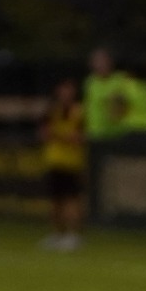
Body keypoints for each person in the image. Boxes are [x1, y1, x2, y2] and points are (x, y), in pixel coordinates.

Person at [38, 78, 86, 252]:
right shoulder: (52, 111)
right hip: (54, 161)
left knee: (71, 200)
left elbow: (79, 138)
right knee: (55, 201)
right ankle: (57, 234)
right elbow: (44, 134)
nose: (65, 94)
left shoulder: (79, 112)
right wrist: (63, 137)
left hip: (72, 163)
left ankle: (73, 235)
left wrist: (59, 136)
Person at [83, 47, 134, 141]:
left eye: (103, 61)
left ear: (110, 62)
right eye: (97, 61)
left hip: (117, 134)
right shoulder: (90, 82)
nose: (101, 65)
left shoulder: (122, 79)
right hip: (95, 134)